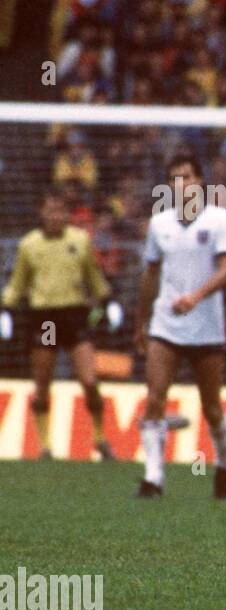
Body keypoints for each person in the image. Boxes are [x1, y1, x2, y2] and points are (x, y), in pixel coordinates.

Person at [133, 153, 226, 499]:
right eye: (176, 179)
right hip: (166, 324)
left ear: (200, 182)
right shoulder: (159, 224)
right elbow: (150, 274)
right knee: (155, 397)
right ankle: (153, 478)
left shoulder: (219, 219)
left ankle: (224, 465)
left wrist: (196, 296)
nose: (183, 184)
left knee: (212, 407)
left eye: (188, 177)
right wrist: (140, 321)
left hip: (207, 327)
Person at [0, 192, 120, 460]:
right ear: (41, 213)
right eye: (50, 210)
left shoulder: (80, 240)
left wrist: (108, 300)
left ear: (67, 214)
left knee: (89, 379)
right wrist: (6, 308)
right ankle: (45, 445)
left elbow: (94, 277)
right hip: (46, 319)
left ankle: (100, 438)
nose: (55, 216)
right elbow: (18, 284)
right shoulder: (29, 245)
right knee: (43, 382)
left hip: (74, 314)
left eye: (60, 211)